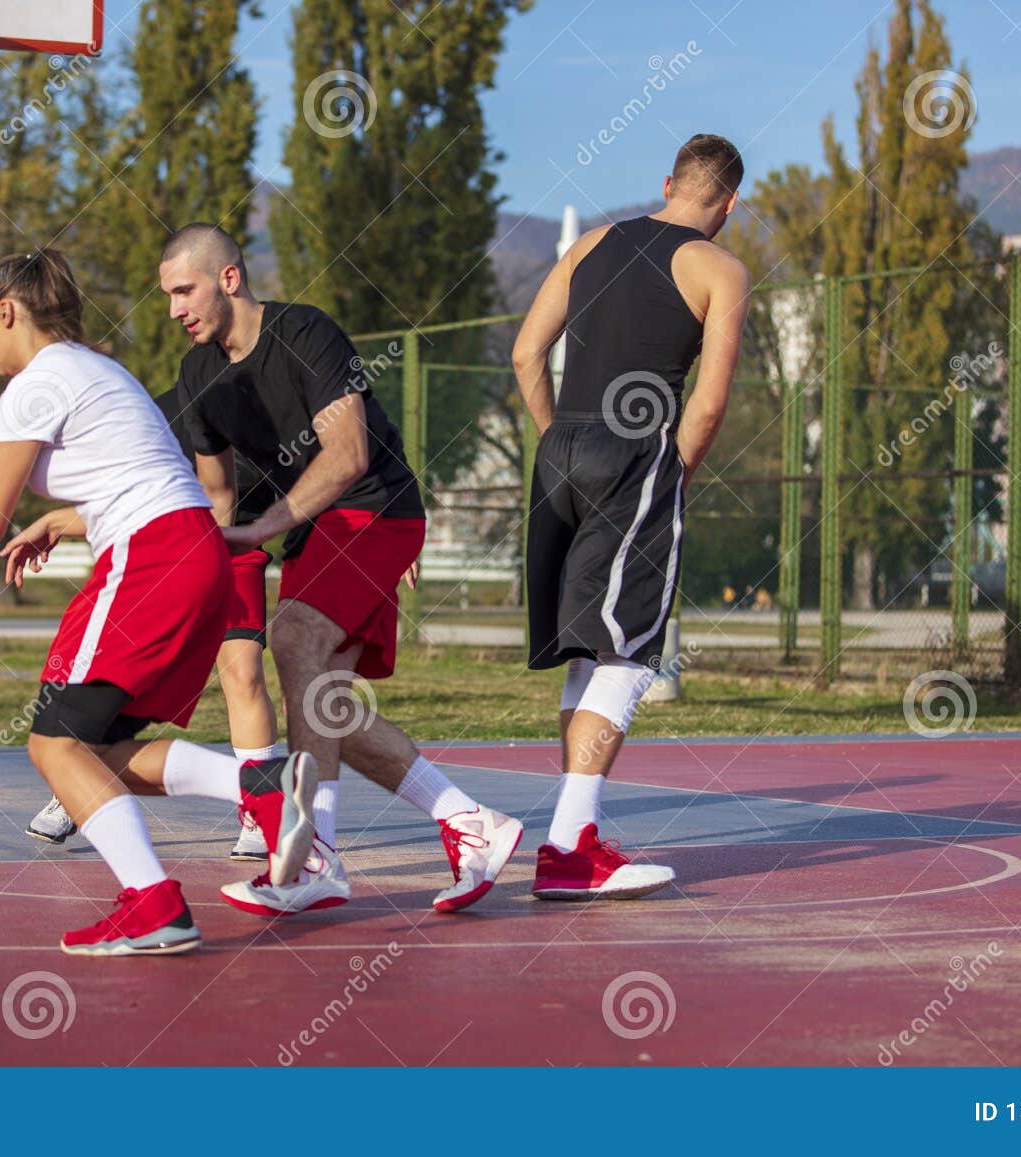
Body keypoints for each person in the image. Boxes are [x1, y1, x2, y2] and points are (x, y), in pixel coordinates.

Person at [0, 248, 318, 955]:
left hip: (152, 558)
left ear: (7, 312)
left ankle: (156, 902)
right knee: (97, 751)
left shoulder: (36, 384)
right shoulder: (98, 367)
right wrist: (62, 520)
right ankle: (262, 783)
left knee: (53, 743)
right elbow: (134, 475)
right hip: (191, 551)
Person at [160, 223, 522, 916]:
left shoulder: (306, 333)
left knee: (294, 642)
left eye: (185, 289)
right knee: (321, 701)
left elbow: (350, 453)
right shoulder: (198, 375)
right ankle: (462, 822)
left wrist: (266, 528)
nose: (175, 308)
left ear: (229, 279)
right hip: (316, 529)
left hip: (375, 507)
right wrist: (200, 546)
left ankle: (318, 854)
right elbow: (216, 495)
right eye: (168, 295)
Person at [511, 134, 750, 900]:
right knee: (630, 650)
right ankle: (571, 848)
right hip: (634, 453)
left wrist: (558, 439)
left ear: (669, 181)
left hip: (563, 446)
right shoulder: (722, 269)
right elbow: (707, 403)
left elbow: (524, 354)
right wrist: (671, 472)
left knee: (588, 646)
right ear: (730, 203)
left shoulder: (591, 243)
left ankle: (569, 839)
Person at [25, 388, 279, 863]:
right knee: (118, 682)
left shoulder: (275, 404)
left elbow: (333, 464)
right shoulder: (158, 410)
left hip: (234, 548)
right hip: (157, 557)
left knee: (242, 673)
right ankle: (79, 774)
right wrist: (61, 520)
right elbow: (125, 497)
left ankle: (261, 806)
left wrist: (381, 531)